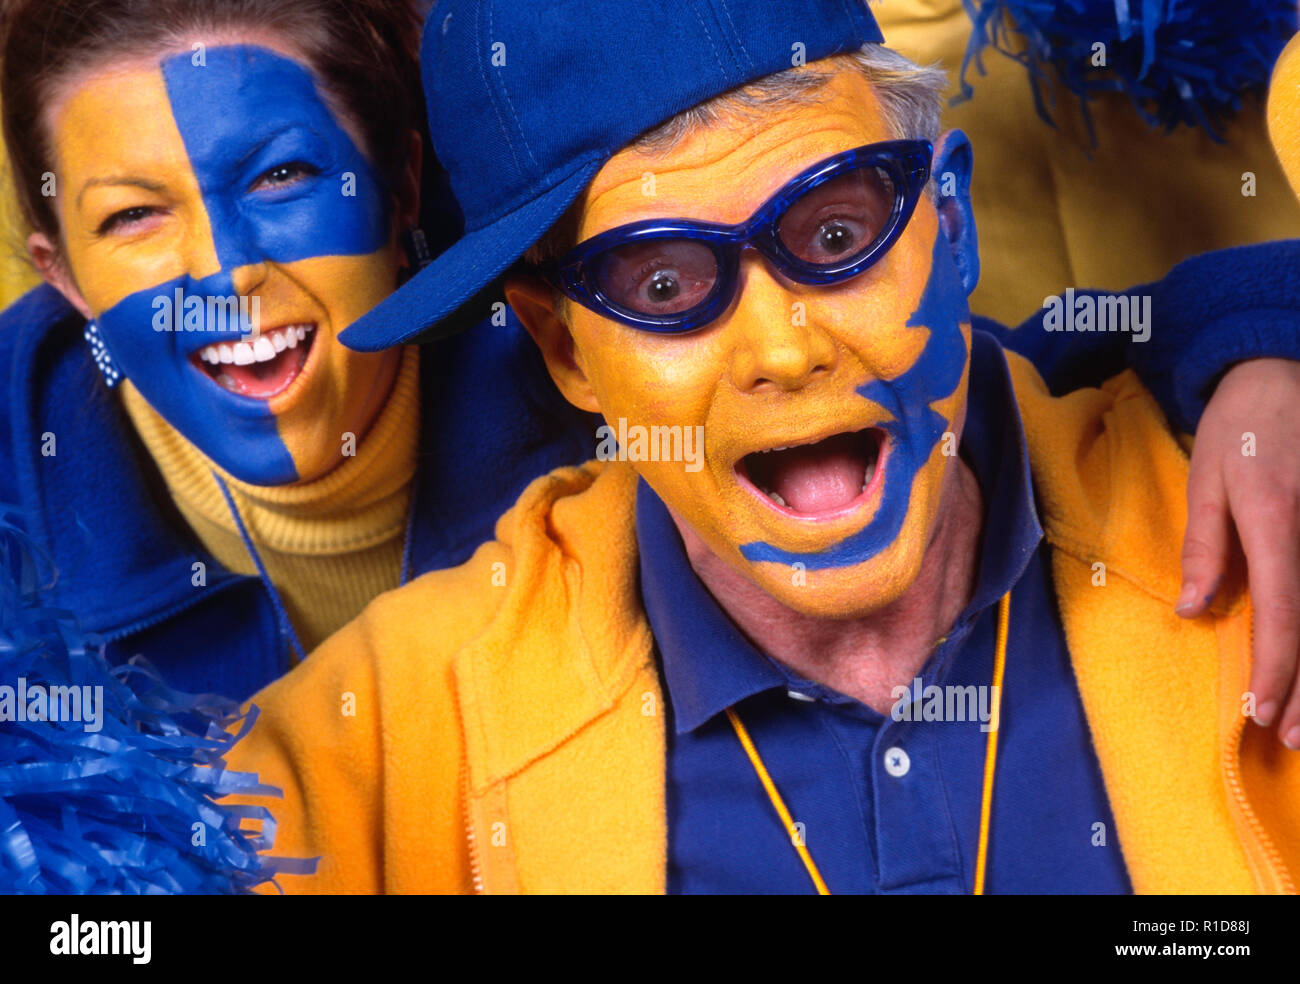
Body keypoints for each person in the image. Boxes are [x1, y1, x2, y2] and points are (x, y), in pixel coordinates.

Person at [226, 0, 1300, 893]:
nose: (782, 351)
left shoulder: (1260, 537)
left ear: (951, 224)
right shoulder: (395, 730)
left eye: (836, 236)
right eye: (662, 285)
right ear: (564, 350)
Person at [0, 0, 594, 699]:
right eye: (133, 215)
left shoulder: (590, 361)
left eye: (281, 176)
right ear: (64, 276)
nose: (226, 270)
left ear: (400, 185)